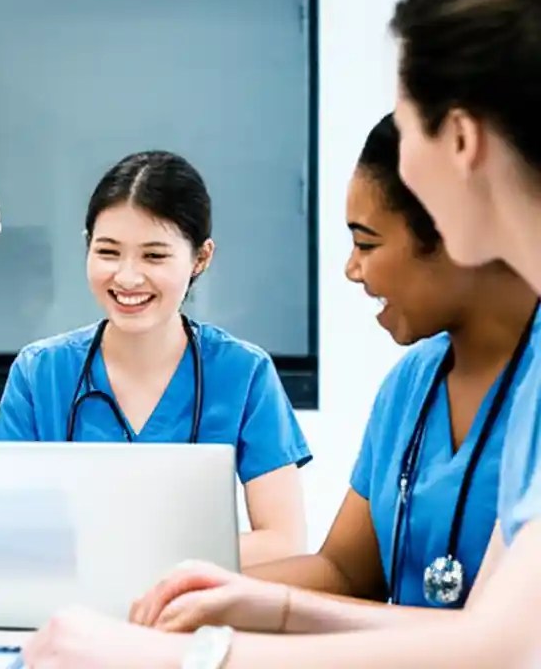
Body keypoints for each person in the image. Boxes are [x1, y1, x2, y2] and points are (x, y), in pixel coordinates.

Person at [19, 0, 541, 665]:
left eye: (406, 116)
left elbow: (504, 649)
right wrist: (265, 604)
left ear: (459, 140)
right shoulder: (422, 382)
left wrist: (179, 658)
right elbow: (471, 625)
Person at [120, 113, 538, 634]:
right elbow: (344, 570)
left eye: (366, 244)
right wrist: (191, 587)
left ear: (457, 236)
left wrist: (255, 613)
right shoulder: (412, 384)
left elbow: (495, 644)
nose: (351, 269)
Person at [0, 150, 311, 567]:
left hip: (189, 621)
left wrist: (128, 552)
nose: (126, 277)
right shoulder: (40, 374)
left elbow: (284, 543)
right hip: (67, 616)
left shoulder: (243, 374)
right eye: (108, 252)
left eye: (154, 256)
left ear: (201, 258)